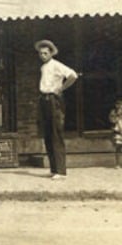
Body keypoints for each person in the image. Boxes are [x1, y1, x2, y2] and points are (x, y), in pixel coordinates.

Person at [36, 39, 79, 180]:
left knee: (56, 133)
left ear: (51, 53)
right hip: (44, 100)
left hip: (54, 101)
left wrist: (61, 88)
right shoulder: (43, 67)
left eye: (45, 53)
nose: (43, 55)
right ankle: (54, 169)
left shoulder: (56, 65)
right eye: (41, 53)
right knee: (47, 134)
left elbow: (73, 75)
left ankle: (61, 171)